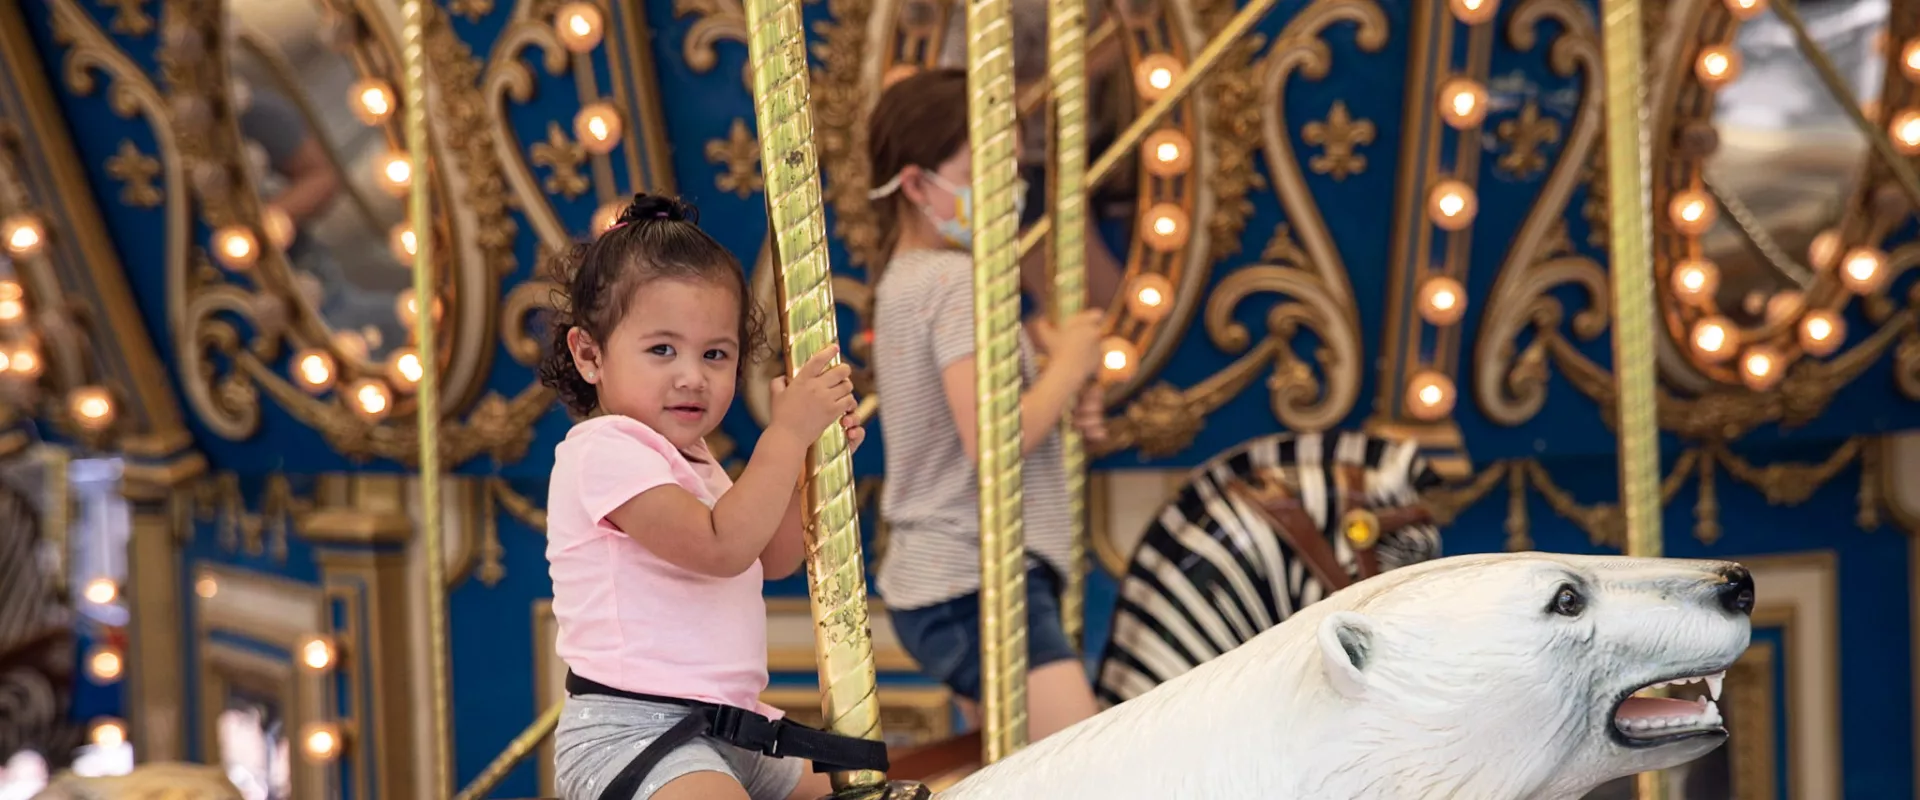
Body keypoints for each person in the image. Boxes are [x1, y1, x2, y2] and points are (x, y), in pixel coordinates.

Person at [540, 194, 872, 800]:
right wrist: (785, 435)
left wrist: (810, 463)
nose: (692, 376)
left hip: (726, 730)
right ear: (589, 354)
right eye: (662, 350)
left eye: (715, 354)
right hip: (632, 739)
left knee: (858, 790)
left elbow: (769, 556)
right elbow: (721, 547)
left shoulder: (695, 461)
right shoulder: (602, 451)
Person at [865, 69, 1110, 740]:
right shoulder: (953, 282)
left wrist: (1053, 381)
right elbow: (992, 444)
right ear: (917, 185)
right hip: (974, 578)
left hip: (949, 580)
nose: (1008, 192)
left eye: (1013, 171)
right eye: (985, 173)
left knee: (1013, 770)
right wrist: (1069, 364)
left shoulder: (906, 281)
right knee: (1086, 763)